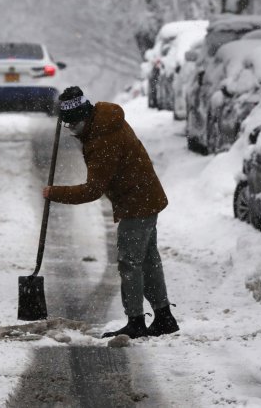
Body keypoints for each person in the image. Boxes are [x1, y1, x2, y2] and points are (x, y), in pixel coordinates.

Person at [42, 86, 178, 339]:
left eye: (73, 125)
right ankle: (164, 317)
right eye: (67, 125)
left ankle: (136, 321)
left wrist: (54, 193)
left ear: (85, 117)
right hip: (145, 196)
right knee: (147, 260)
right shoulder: (104, 122)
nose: (71, 131)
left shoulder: (102, 138)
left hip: (136, 201)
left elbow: (92, 190)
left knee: (130, 263)